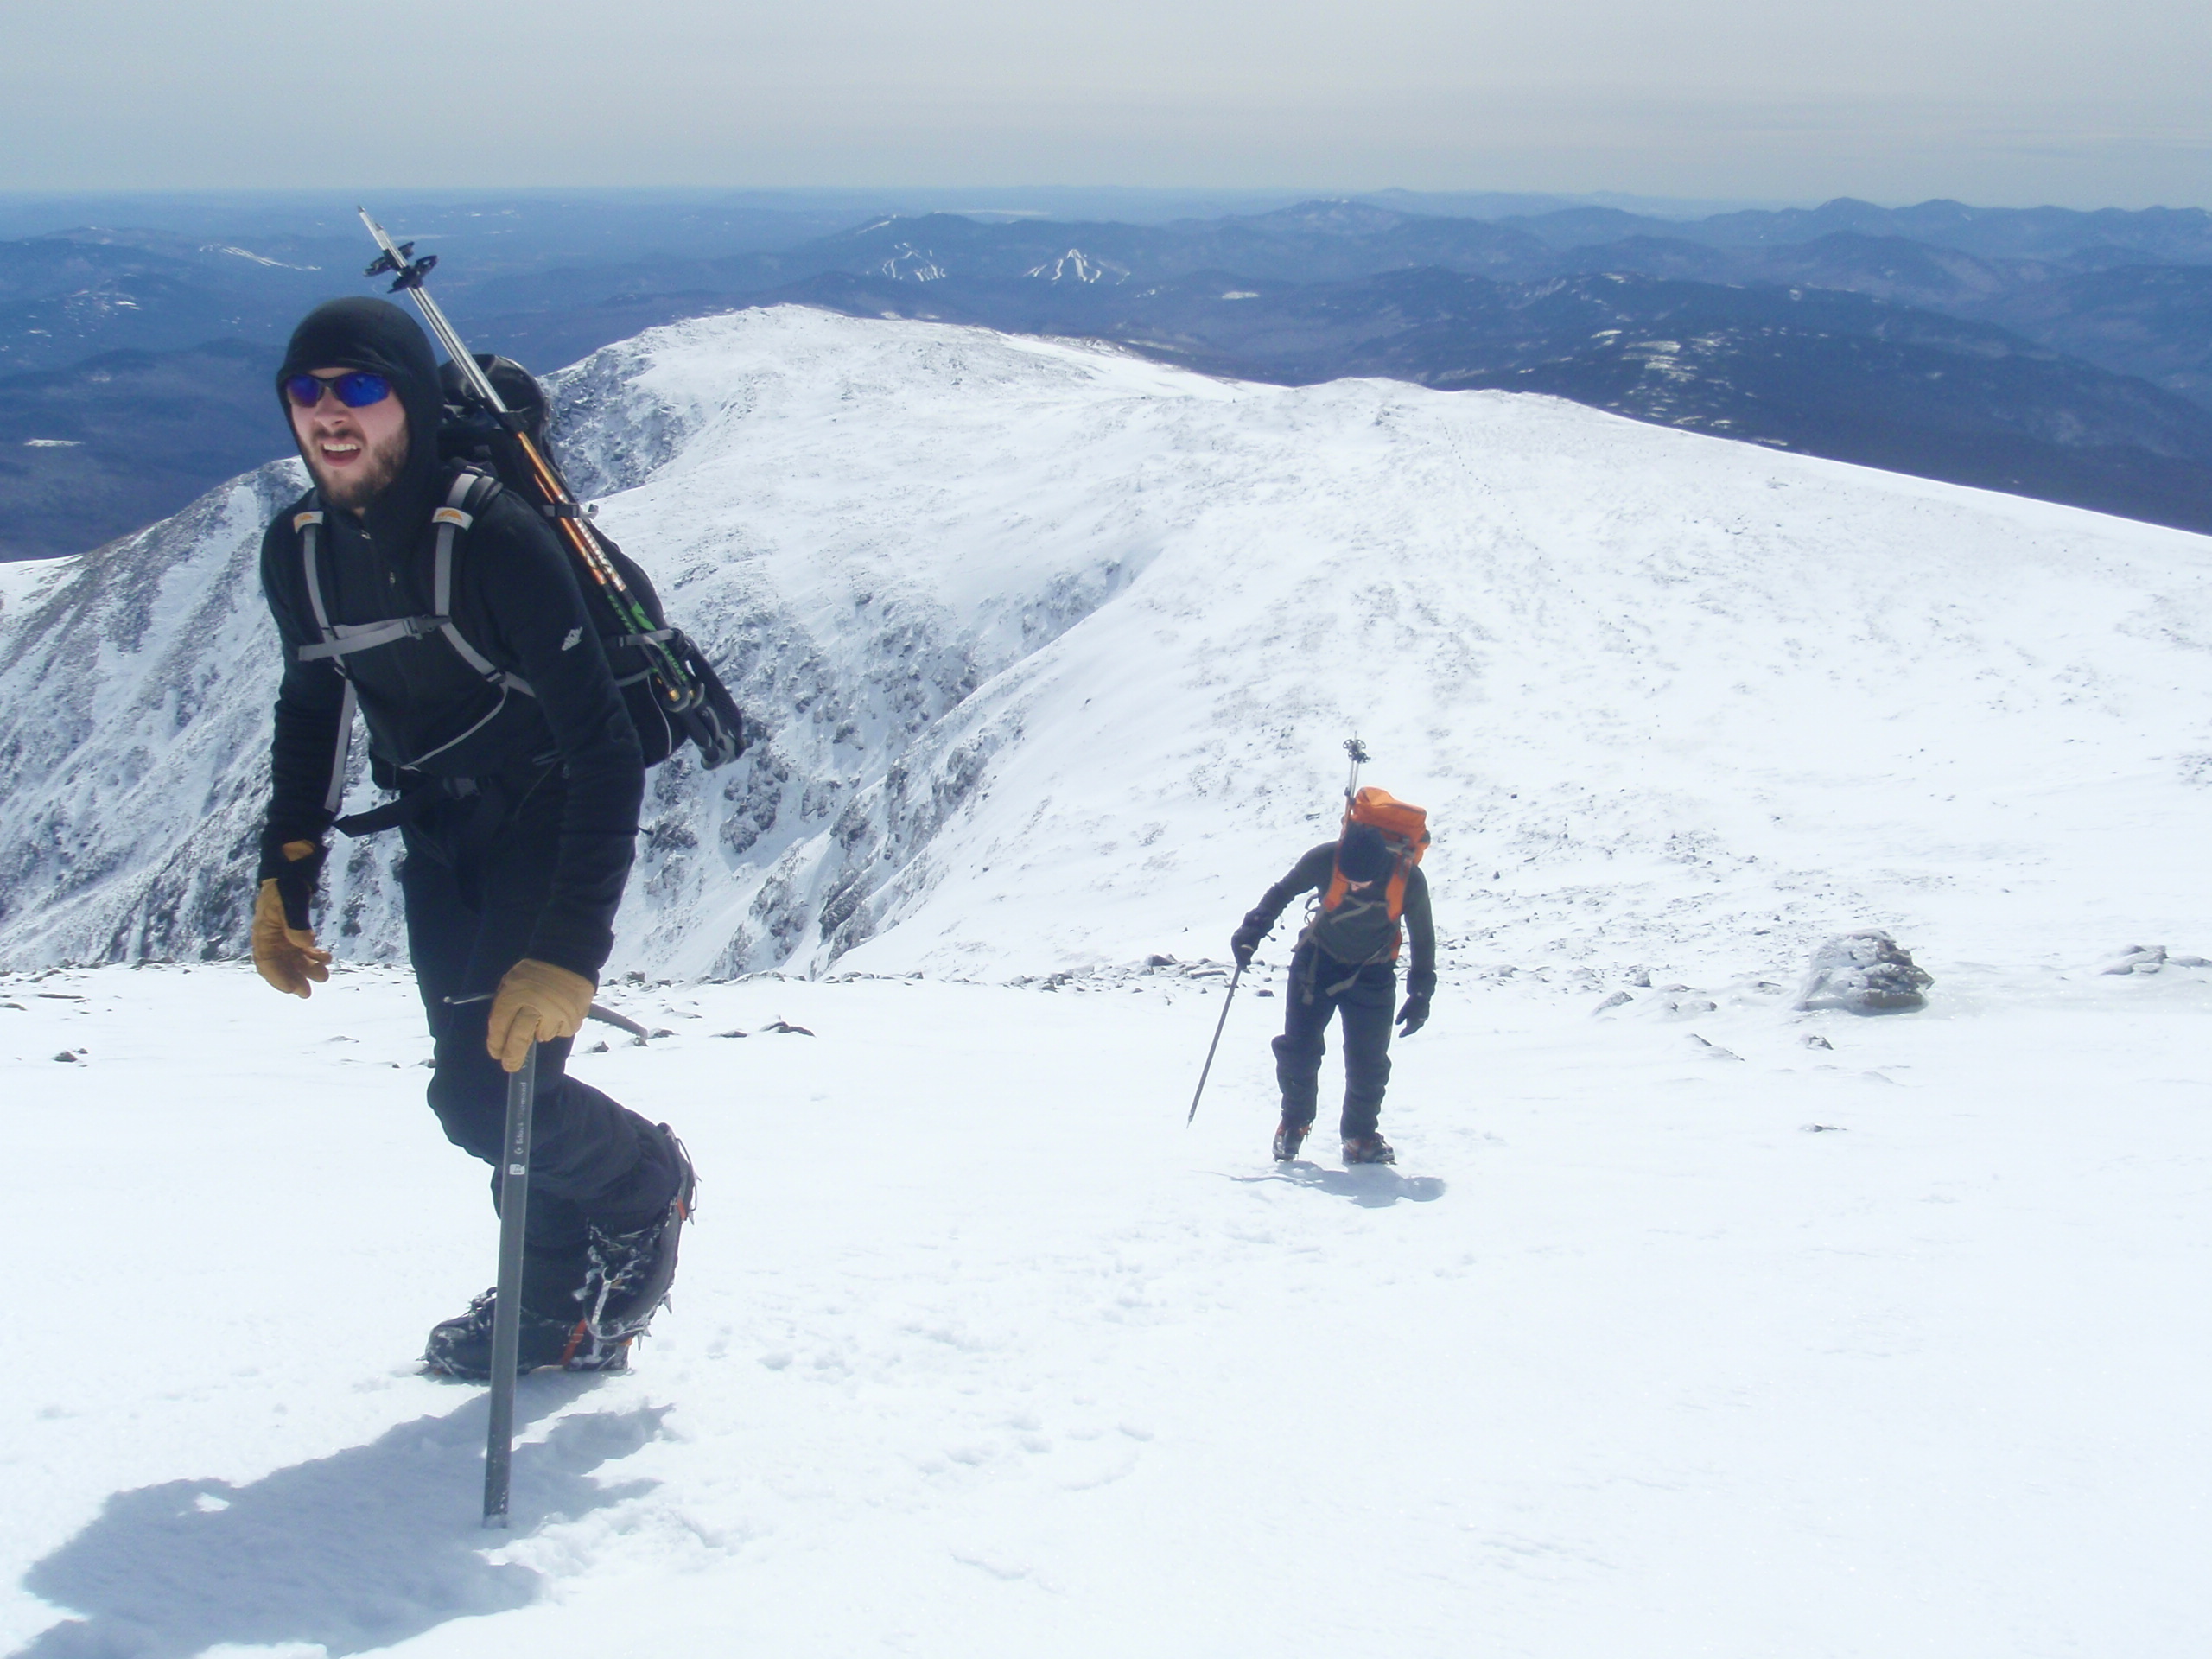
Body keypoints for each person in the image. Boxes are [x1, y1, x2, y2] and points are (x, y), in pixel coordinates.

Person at [248, 296, 693, 1377]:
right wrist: (284, 880)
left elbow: (601, 748)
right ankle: (549, 1308)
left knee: (489, 1094)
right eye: (306, 392)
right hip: (437, 830)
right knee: (484, 1079)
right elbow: (313, 711)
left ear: (408, 400)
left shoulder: (491, 537)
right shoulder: (300, 550)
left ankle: (644, 1186)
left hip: (544, 809)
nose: (329, 412)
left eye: (360, 387)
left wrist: (565, 954)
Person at [1231, 820, 1436, 1165]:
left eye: (1363, 882)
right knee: (1299, 1050)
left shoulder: (1408, 879)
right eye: (1350, 880)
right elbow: (1282, 892)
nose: (1355, 887)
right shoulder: (1325, 858)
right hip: (1316, 965)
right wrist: (1252, 929)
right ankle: (1294, 1124)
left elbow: (1423, 935)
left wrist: (1420, 994)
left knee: (1369, 1063)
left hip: (1373, 974)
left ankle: (1360, 1135)